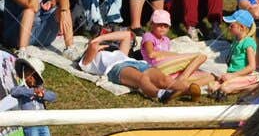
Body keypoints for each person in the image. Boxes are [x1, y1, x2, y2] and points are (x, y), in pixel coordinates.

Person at [78, 28, 208, 100]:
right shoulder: (88, 61)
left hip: (136, 63)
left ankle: (188, 91)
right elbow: (93, 47)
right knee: (142, 79)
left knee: (165, 79)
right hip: (117, 68)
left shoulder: (119, 53)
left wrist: (101, 38)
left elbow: (126, 35)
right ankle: (160, 94)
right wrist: (95, 42)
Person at [10, 55, 55, 136]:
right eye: (27, 75)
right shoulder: (22, 90)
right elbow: (14, 92)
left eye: (32, 75)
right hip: (30, 125)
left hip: (43, 123)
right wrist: (33, 92)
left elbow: (53, 96)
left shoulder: (41, 90)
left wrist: (42, 94)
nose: (30, 78)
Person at [218, 8, 259, 94]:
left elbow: (252, 67)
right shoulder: (236, 40)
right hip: (233, 73)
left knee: (224, 87)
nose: (229, 28)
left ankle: (253, 86)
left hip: (243, 74)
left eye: (232, 26)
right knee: (212, 85)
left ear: (242, 27)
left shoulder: (248, 42)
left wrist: (233, 75)